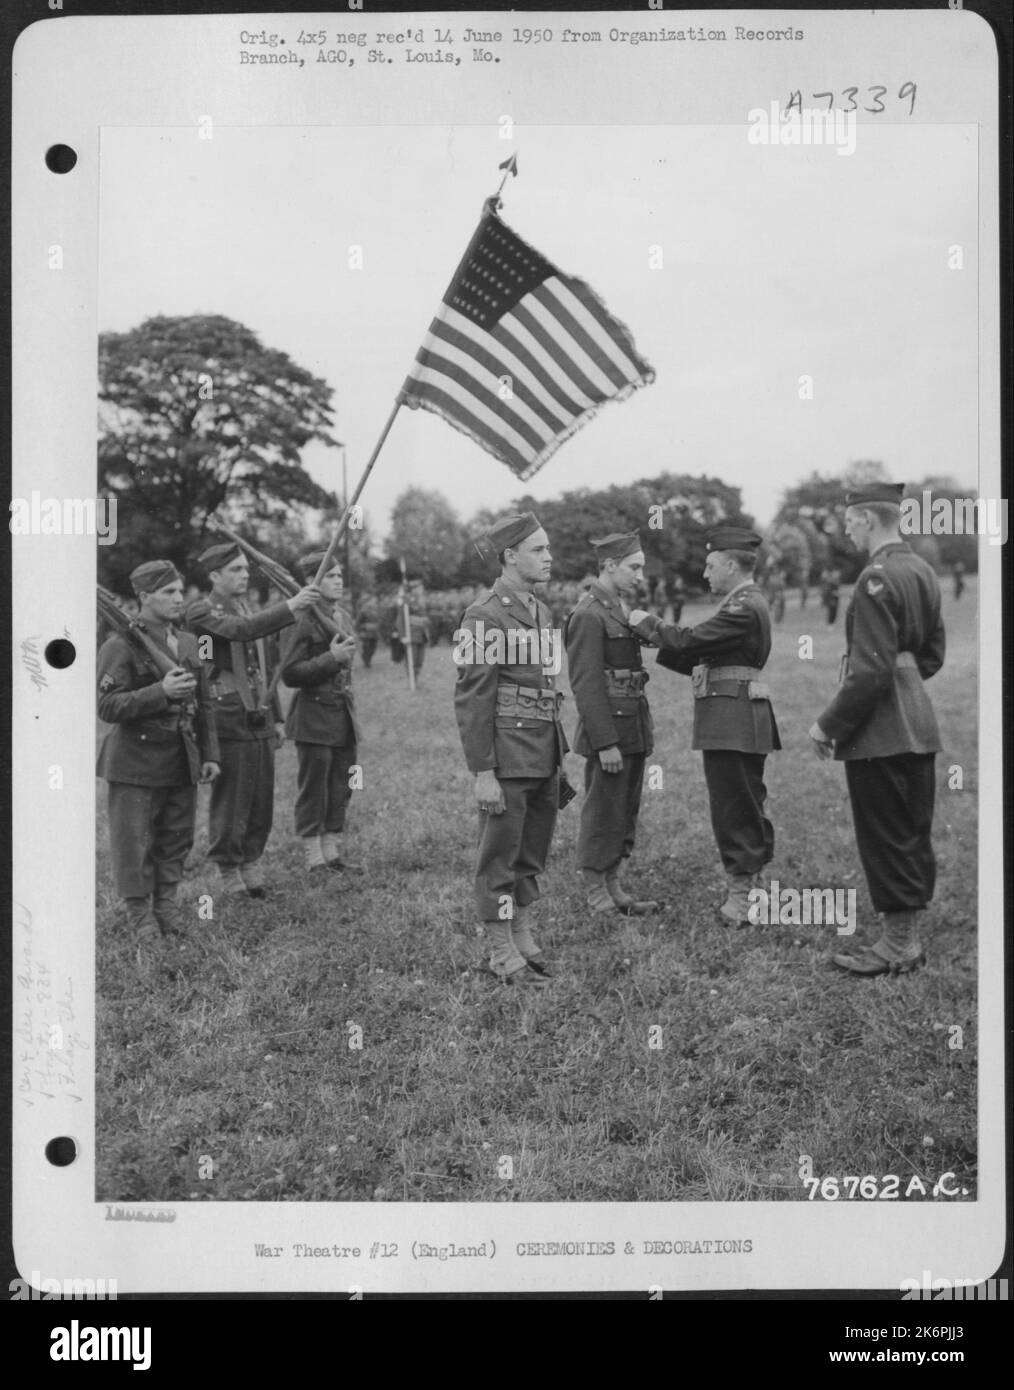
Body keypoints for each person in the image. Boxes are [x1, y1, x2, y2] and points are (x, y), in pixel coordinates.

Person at [808, 483, 945, 976]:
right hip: (918, 720)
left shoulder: (875, 577)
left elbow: (869, 671)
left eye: (849, 519)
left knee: (885, 831)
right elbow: (931, 655)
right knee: (910, 827)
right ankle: (905, 936)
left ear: (867, 519)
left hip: (881, 729)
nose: (845, 527)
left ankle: (898, 944)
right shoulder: (922, 570)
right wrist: (904, 683)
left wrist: (827, 725)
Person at [628, 527, 780, 926]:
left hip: (733, 719)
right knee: (745, 800)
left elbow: (693, 640)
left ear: (731, 565)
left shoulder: (743, 606)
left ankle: (744, 896)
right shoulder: (744, 602)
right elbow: (699, 650)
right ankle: (754, 886)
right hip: (737, 716)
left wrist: (646, 623)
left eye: (711, 566)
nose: (705, 574)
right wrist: (663, 642)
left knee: (734, 805)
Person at [453, 513, 568, 985]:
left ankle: (520, 933)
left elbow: (548, 684)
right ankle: (501, 952)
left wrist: (558, 756)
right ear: (509, 557)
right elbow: (472, 698)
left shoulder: (540, 611)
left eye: (547, 548)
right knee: (500, 854)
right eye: (539, 550)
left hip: (542, 750)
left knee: (529, 850)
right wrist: (483, 772)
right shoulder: (484, 615)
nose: (549, 557)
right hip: (508, 754)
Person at [97, 561, 220, 958]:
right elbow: (108, 705)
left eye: (180, 591)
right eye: (168, 592)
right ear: (144, 597)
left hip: (181, 758)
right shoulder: (120, 644)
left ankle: (166, 908)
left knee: (175, 839)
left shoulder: (186, 642)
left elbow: (205, 703)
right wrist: (161, 692)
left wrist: (210, 754)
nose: (179, 599)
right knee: (134, 844)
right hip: (135, 763)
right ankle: (140, 917)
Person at [185, 542, 320, 898]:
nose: (244, 575)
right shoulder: (201, 611)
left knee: (260, 795)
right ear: (214, 576)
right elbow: (241, 631)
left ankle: (251, 860)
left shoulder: (247, 608)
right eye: (235, 570)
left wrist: (276, 716)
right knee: (233, 797)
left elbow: (262, 668)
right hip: (226, 715)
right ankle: (228, 868)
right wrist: (291, 606)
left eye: (246, 569)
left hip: (257, 714)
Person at [565, 532, 658, 917]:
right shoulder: (589, 613)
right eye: (633, 567)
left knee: (626, 806)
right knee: (603, 807)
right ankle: (594, 886)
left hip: (632, 723)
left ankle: (614, 881)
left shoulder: (618, 607)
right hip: (611, 732)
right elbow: (585, 683)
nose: (639, 575)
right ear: (609, 565)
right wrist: (604, 743)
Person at [280, 554, 360, 872]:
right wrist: (331, 657)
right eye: (329, 576)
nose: (338, 581)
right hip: (313, 715)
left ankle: (332, 850)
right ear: (311, 583)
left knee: (342, 782)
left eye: (340, 575)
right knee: (315, 785)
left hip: (343, 712)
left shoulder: (343, 617)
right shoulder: (300, 619)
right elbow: (289, 673)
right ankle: (314, 855)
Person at [355, 593, 380, 668]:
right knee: (367, 648)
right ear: (368, 601)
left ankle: (368, 659)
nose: (374, 602)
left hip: (374, 632)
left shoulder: (376, 609)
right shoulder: (363, 611)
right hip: (366, 633)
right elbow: (358, 623)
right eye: (372, 600)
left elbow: (378, 620)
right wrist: (362, 629)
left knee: (373, 647)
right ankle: (366, 661)